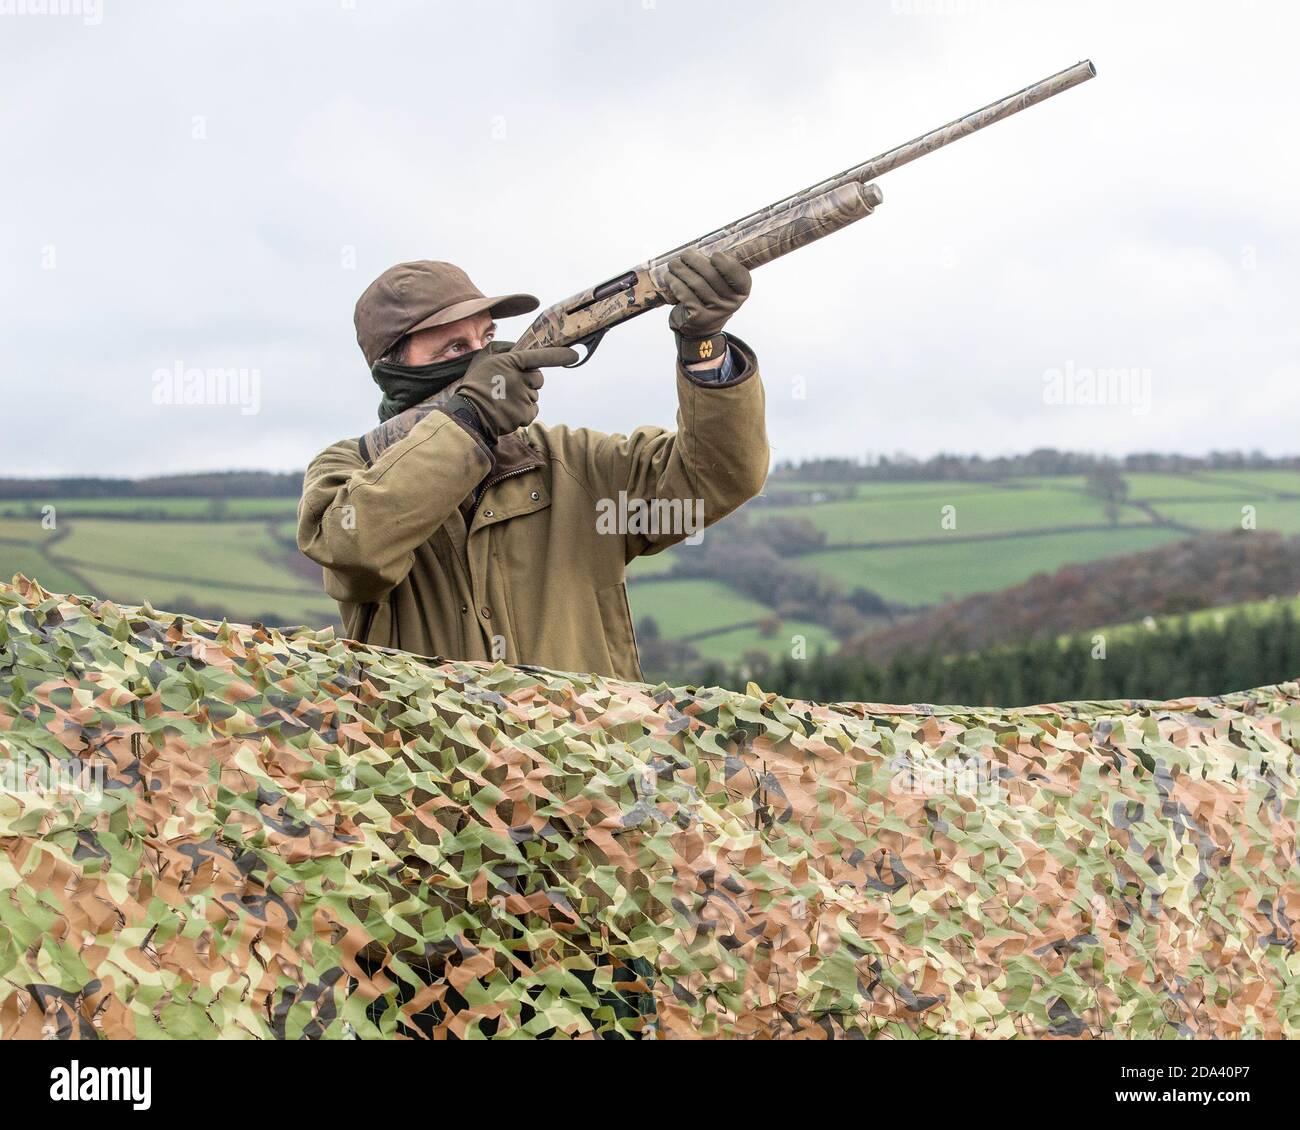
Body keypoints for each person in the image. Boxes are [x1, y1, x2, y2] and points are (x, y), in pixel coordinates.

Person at [297, 249, 768, 680]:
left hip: (591, 769)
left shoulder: (575, 463)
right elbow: (352, 550)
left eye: (486, 337)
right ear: (395, 371)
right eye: (455, 349)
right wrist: (470, 420)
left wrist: (704, 347)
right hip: (427, 771)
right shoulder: (349, 469)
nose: (483, 357)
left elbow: (718, 477)